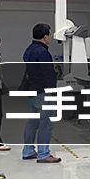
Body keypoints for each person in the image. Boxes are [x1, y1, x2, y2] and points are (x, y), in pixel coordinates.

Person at [22, 23, 61, 164]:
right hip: (44, 93)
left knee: (32, 123)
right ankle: (44, 153)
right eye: (50, 35)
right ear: (45, 37)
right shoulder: (43, 53)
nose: (50, 37)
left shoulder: (28, 50)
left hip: (33, 92)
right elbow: (48, 75)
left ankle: (28, 151)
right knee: (46, 124)